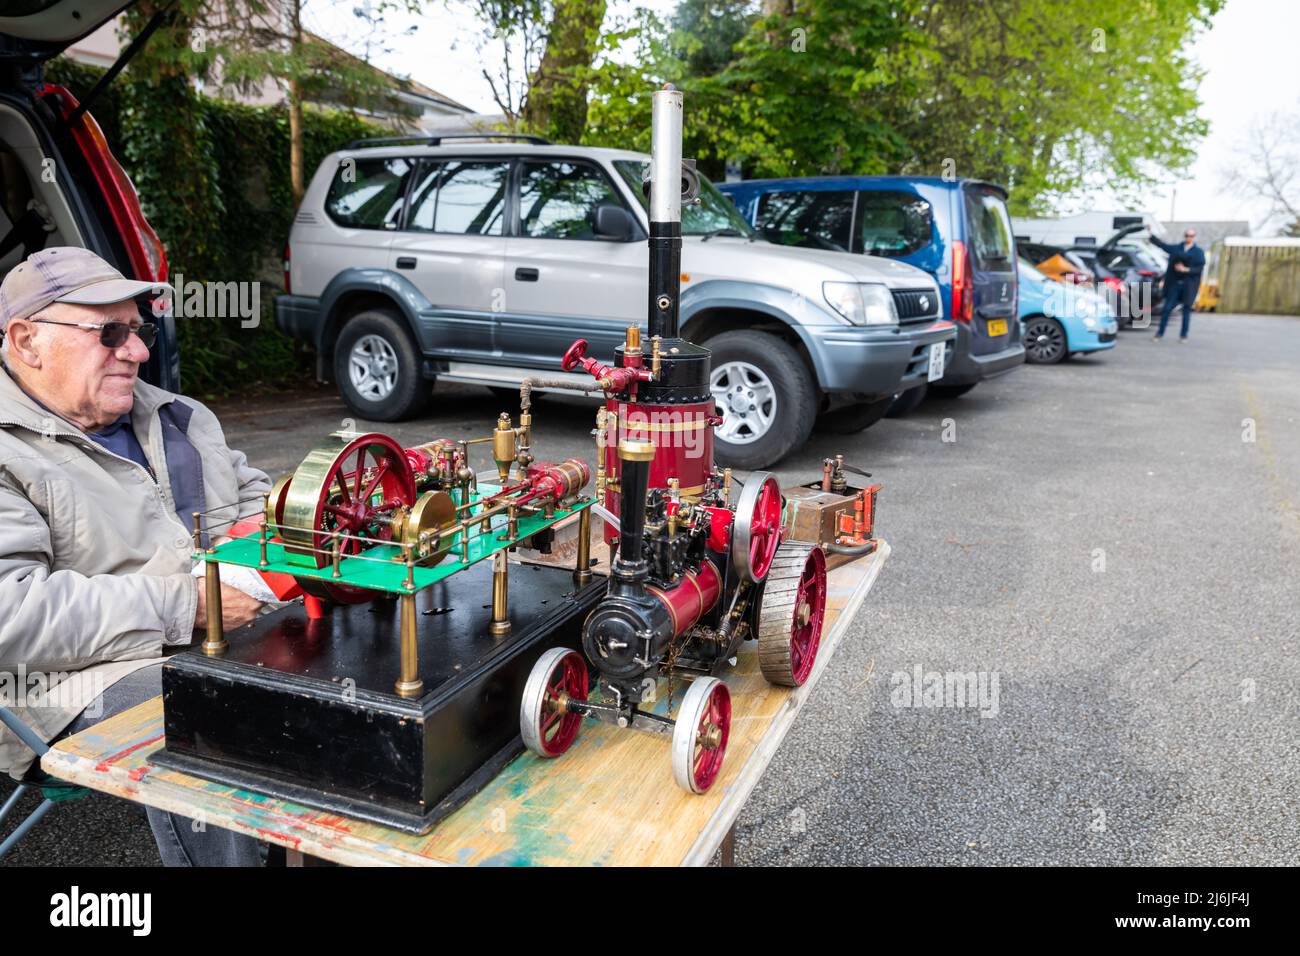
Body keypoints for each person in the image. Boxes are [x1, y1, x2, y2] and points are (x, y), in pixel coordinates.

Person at [0, 247, 267, 865]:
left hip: (222, 634)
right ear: (27, 340)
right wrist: (190, 606)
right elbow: (10, 614)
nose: (139, 351)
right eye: (109, 333)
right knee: (217, 714)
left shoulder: (181, 415)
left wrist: (267, 521)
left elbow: (248, 490)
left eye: (138, 330)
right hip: (66, 681)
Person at [1149, 227, 1205, 341]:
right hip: (1174, 284)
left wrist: (1186, 270)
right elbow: (1162, 245)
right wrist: (1151, 234)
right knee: (1167, 308)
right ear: (1184, 236)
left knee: (1186, 310)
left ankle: (1183, 335)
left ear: (1194, 237)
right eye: (1187, 235)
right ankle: (1160, 333)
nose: (1189, 237)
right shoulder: (1176, 248)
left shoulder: (1198, 252)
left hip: (1189, 285)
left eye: (1191, 236)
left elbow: (1199, 268)